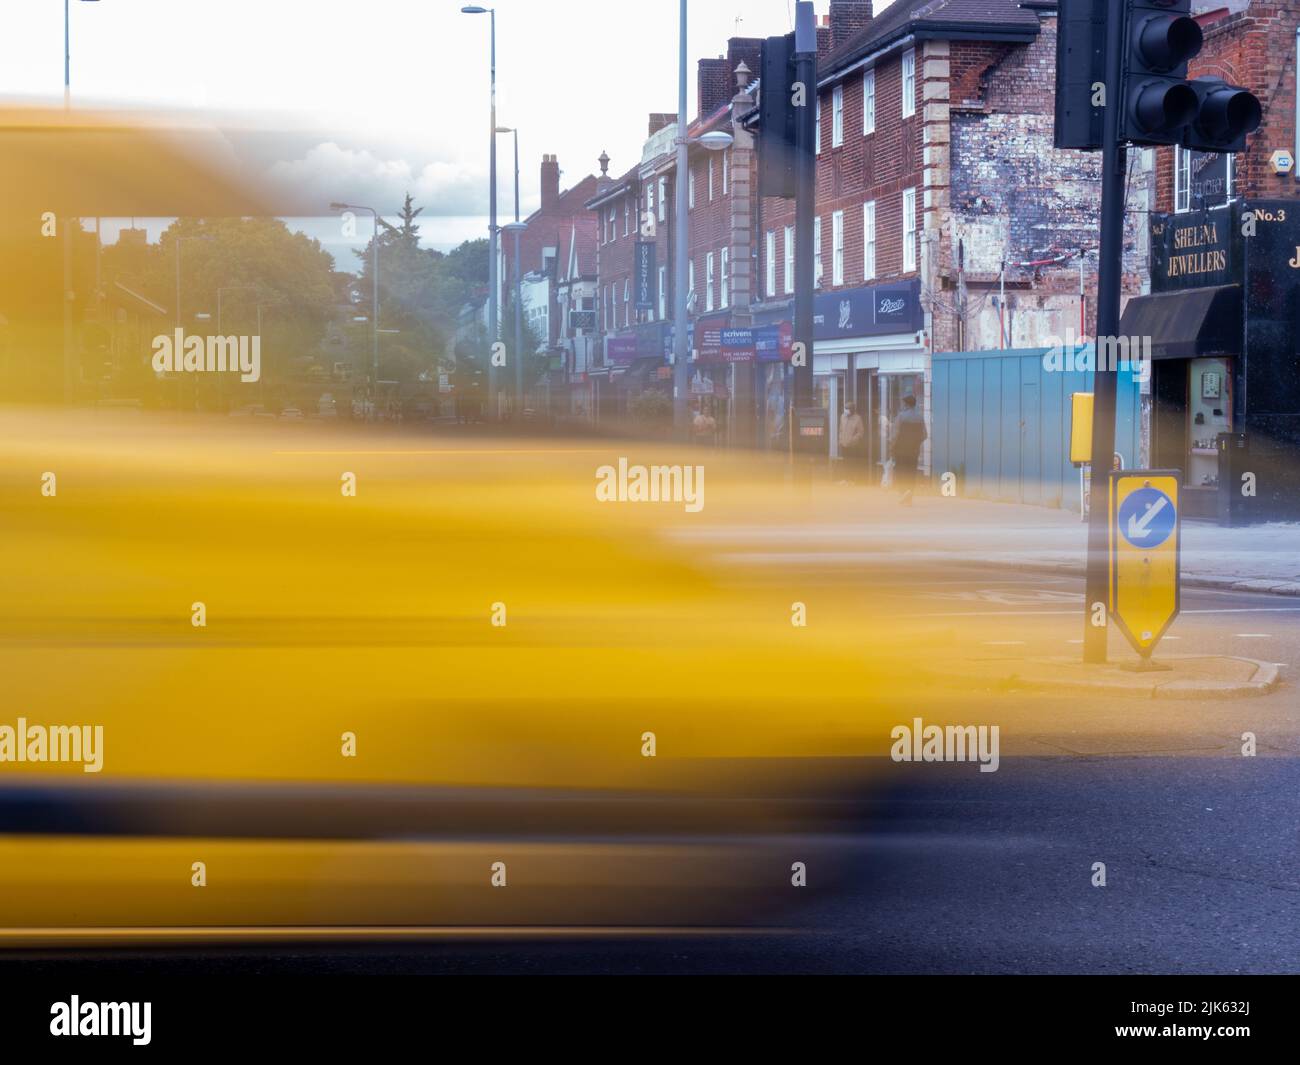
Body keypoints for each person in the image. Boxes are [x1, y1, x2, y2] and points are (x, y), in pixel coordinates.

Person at [889, 393, 926, 505]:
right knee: (911, 472)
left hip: (901, 449)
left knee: (901, 471)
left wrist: (891, 445)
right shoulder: (920, 417)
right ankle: (909, 495)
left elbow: (895, 434)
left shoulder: (901, 416)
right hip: (914, 451)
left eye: (903, 403)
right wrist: (915, 442)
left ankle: (903, 493)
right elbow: (924, 435)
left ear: (906, 404)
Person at [839, 402, 866, 481]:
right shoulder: (842, 417)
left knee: (852, 463)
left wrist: (853, 440)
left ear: (852, 409)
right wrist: (840, 440)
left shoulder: (858, 418)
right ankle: (846, 479)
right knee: (845, 463)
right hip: (844, 444)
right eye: (845, 408)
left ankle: (852, 480)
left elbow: (860, 432)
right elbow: (840, 430)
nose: (846, 410)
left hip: (853, 445)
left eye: (848, 408)